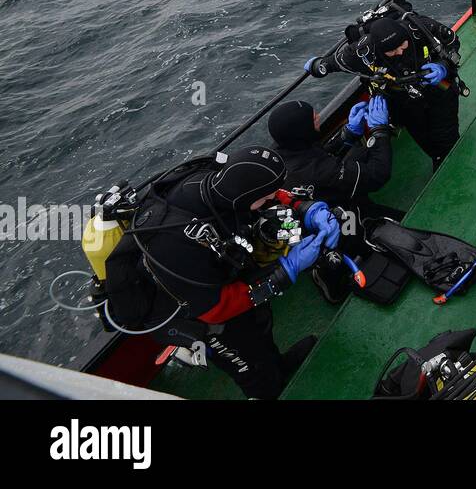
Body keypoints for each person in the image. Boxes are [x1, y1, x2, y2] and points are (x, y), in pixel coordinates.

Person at [115, 147, 339, 399]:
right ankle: (266, 392)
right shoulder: (174, 241)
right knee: (246, 362)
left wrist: (306, 208)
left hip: (219, 274)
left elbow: (269, 192)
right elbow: (215, 309)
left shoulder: (221, 181)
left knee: (259, 327)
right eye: (266, 198)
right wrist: (288, 269)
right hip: (194, 310)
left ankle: (277, 367)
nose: (272, 199)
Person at [306, 0, 464, 171]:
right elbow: (334, 62)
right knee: (422, 134)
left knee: (446, 133)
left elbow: (452, 42)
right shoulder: (363, 51)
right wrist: (317, 66)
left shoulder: (420, 27)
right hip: (402, 100)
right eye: (391, 51)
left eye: (402, 45)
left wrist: (443, 65)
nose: (398, 52)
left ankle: (446, 157)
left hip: (439, 86)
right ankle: (437, 155)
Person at [268, 95, 394, 302]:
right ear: (302, 132)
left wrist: (348, 134)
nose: (318, 116)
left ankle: (328, 266)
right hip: (337, 223)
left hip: (304, 220)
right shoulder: (319, 170)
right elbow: (378, 174)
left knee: (357, 153)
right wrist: (380, 132)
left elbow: (318, 155)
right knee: (397, 230)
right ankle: (334, 276)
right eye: (313, 118)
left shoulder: (283, 153)